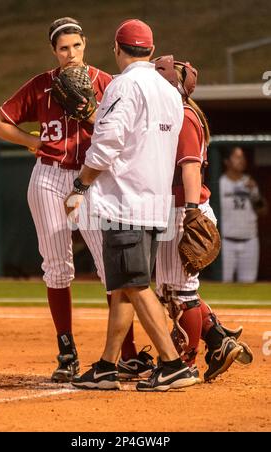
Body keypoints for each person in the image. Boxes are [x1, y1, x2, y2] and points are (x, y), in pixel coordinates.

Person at [66, 19, 197, 392]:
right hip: (155, 203)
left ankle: (172, 364)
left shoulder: (122, 84)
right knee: (126, 284)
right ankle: (108, 366)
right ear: (151, 51)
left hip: (125, 202)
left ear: (118, 49)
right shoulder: (169, 90)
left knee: (136, 286)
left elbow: (107, 144)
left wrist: (80, 184)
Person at [0, 17, 114, 383]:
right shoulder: (42, 84)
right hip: (49, 176)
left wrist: (91, 115)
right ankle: (67, 351)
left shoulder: (104, 82)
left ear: (85, 44)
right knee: (57, 266)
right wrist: (33, 142)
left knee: (110, 263)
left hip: (91, 177)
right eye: (63, 48)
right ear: (54, 51)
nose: (71, 53)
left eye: (76, 46)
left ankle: (124, 351)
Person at [153, 56, 250, 382]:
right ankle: (218, 340)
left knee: (180, 293)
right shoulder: (175, 112)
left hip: (183, 209)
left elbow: (191, 167)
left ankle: (185, 360)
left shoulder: (181, 115)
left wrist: (191, 212)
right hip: (177, 208)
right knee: (171, 289)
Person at [219, 146, 267, 283]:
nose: (242, 160)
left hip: (249, 240)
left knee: (248, 285)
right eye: (237, 157)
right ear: (227, 161)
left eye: (243, 157)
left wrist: (255, 194)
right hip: (226, 240)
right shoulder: (221, 183)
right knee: (223, 284)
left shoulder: (250, 182)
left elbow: (262, 211)